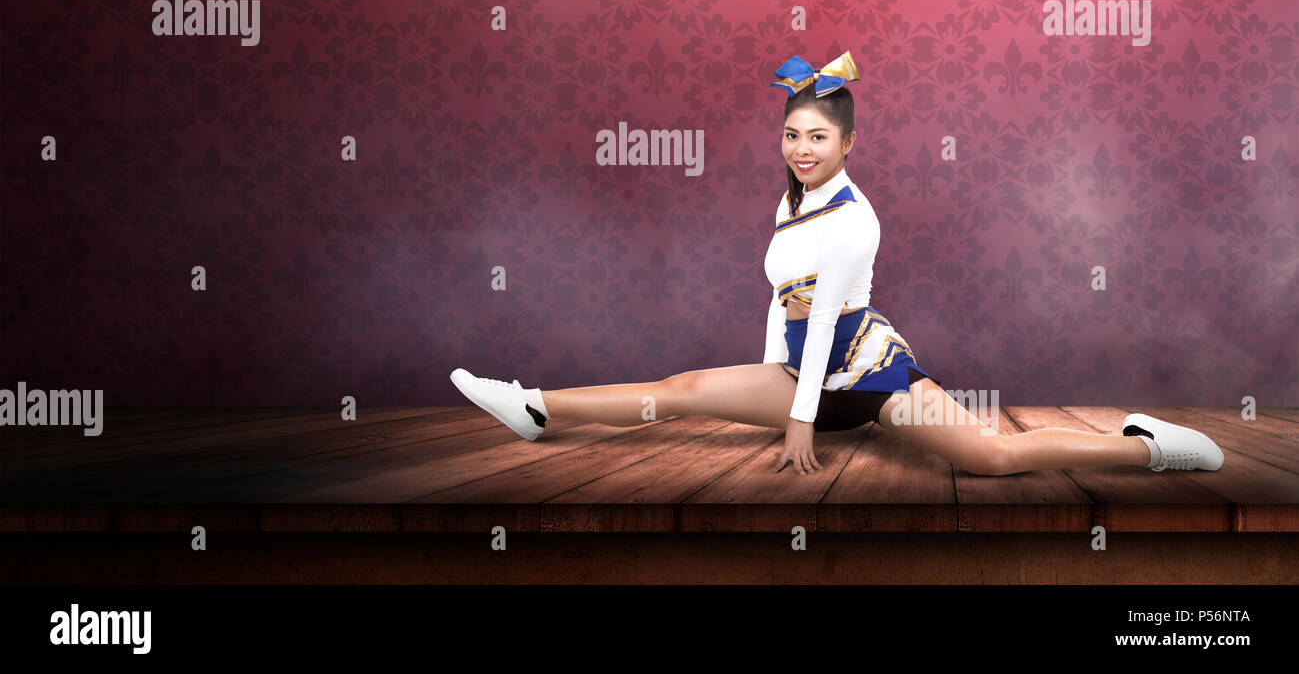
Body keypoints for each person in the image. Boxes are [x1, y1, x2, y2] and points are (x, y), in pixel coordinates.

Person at [451, 51, 1225, 477]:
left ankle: (1150, 445)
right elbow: (780, 303)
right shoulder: (790, 206)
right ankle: (534, 406)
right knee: (681, 389)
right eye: (792, 135)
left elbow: (823, 317)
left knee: (992, 456)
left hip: (869, 374)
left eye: (817, 137)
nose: (801, 149)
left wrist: (797, 424)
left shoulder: (856, 218)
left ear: (848, 144)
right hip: (800, 371)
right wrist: (770, 384)